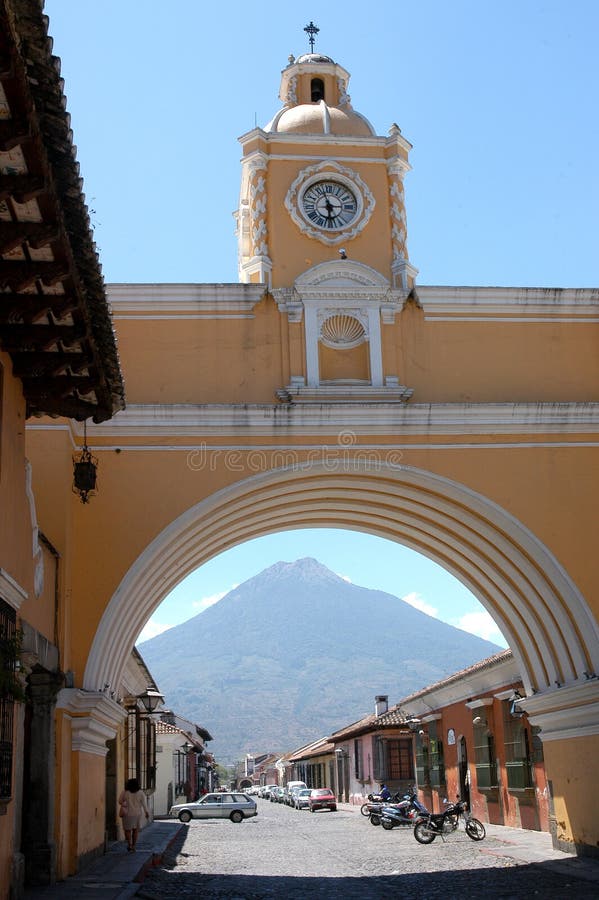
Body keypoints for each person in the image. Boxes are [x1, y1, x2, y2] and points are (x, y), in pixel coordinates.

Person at [118, 777, 149, 852]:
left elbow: (119, 801)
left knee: (127, 830)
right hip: (137, 814)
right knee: (135, 830)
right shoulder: (141, 793)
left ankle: (129, 844)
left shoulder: (125, 792)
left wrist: (125, 803)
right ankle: (134, 846)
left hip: (127, 814)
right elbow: (144, 804)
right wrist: (146, 812)